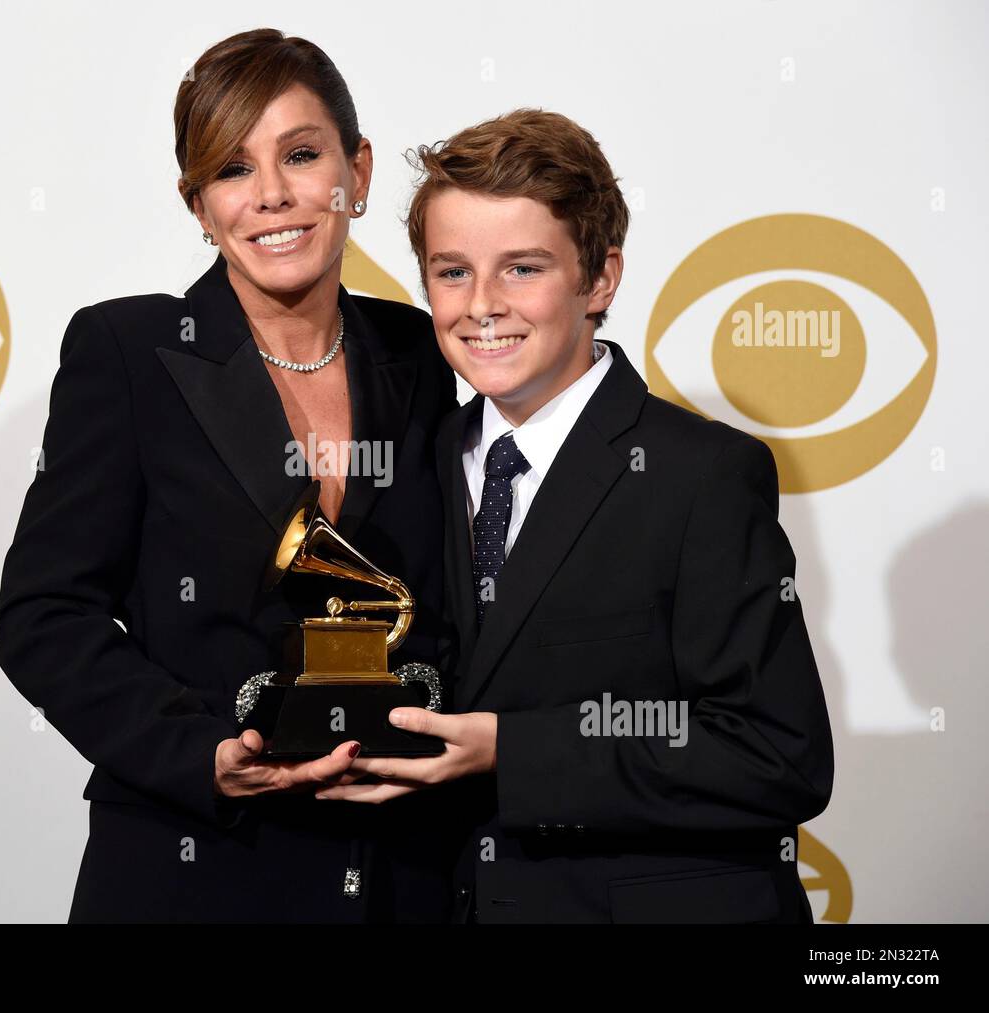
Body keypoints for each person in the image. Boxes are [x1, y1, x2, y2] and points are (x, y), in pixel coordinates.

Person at [316, 108, 835, 923]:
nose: (482, 304)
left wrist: (514, 753)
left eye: (522, 268)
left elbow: (778, 753)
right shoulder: (416, 462)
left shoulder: (702, 474)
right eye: (452, 272)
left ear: (600, 279)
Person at [0, 29, 459, 922]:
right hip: (196, 867)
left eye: (302, 154)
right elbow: (45, 615)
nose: (274, 195)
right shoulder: (129, 353)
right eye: (232, 170)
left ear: (356, 174)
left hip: (403, 872)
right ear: (199, 206)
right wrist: (202, 751)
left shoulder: (426, 352)